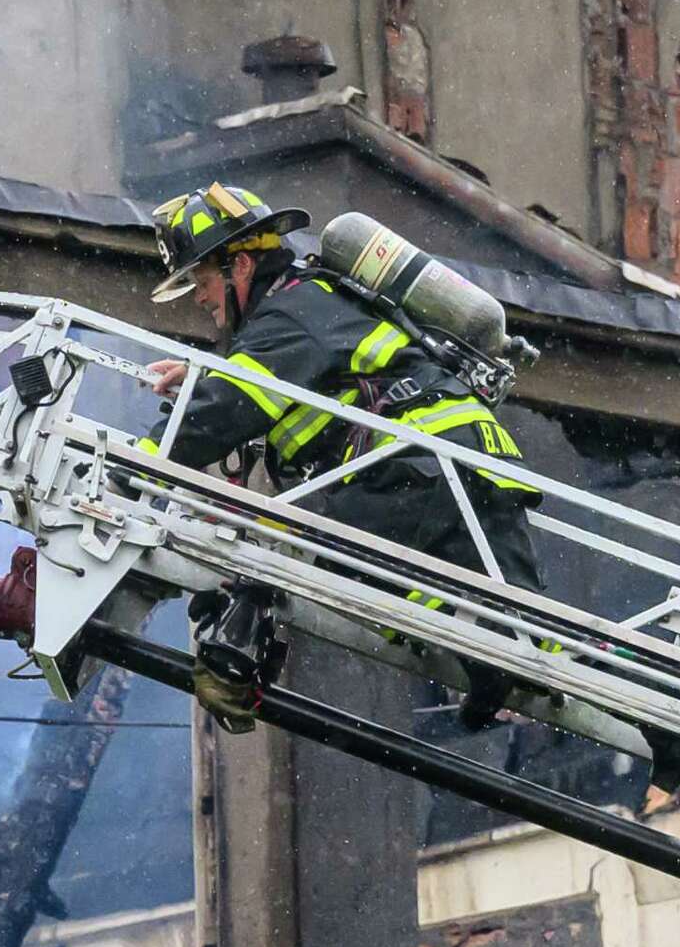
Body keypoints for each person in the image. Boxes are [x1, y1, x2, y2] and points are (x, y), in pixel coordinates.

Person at [138, 182, 545, 734]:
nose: (199, 299)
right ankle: (645, 710)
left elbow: (224, 411)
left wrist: (133, 462)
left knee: (281, 556)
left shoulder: (289, 315)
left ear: (239, 265)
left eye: (202, 281)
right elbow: (283, 377)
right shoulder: (311, 305)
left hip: (417, 466)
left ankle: (231, 660)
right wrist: (210, 374)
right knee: (526, 632)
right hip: (473, 460)